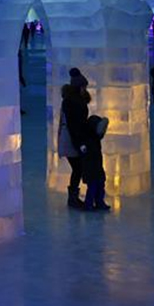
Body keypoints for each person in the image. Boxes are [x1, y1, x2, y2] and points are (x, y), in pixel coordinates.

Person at [61, 68, 91, 208]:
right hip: (71, 140)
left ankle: (73, 198)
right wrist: (80, 143)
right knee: (77, 168)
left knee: (77, 168)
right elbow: (74, 125)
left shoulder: (74, 101)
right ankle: (72, 199)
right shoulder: (73, 102)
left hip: (72, 139)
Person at [81, 114, 111, 211]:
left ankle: (99, 202)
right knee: (93, 186)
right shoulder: (89, 140)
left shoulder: (94, 139)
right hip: (92, 168)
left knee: (100, 184)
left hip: (97, 166)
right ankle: (89, 204)